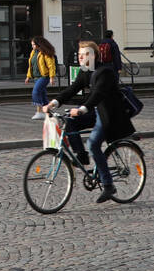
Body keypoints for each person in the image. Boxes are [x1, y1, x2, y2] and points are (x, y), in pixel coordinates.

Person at [51, 40, 134, 204]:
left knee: (93, 144)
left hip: (108, 114)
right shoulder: (85, 71)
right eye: (80, 55)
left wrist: (82, 109)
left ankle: (108, 185)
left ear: (94, 55)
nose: (81, 58)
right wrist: (54, 102)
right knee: (69, 121)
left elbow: (98, 94)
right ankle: (82, 156)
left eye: (85, 54)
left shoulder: (106, 72)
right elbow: (72, 89)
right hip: (94, 112)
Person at [26, 36, 57, 121]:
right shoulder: (33, 52)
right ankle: (48, 112)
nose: (32, 46)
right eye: (32, 45)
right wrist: (28, 77)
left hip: (44, 77)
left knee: (36, 92)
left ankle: (39, 112)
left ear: (38, 44)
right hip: (36, 77)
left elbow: (51, 66)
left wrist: (51, 77)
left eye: (33, 44)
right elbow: (31, 66)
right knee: (43, 96)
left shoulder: (45, 53)